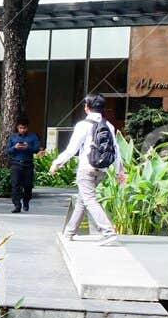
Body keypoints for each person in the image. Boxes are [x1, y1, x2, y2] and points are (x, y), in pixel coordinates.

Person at [53, 93, 127, 246]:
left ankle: (108, 232)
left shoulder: (83, 125)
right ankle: (69, 232)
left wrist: (57, 163)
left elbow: (72, 149)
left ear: (87, 107)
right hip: (102, 170)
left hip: (86, 168)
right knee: (82, 200)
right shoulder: (109, 126)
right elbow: (116, 149)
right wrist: (120, 171)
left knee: (89, 199)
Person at [5, 118, 41, 213]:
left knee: (28, 186)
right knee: (15, 185)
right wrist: (15, 147)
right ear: (17, 127)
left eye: (24, 128)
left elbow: (37, 149)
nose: (22, 130)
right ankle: (17, 205)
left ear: (27, 128)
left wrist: (28, 147)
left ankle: (26, 201)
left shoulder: (33, 137)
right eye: (20, 128)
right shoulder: (13, 137)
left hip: (28, 164)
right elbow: (8, 151)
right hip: (16, 163)